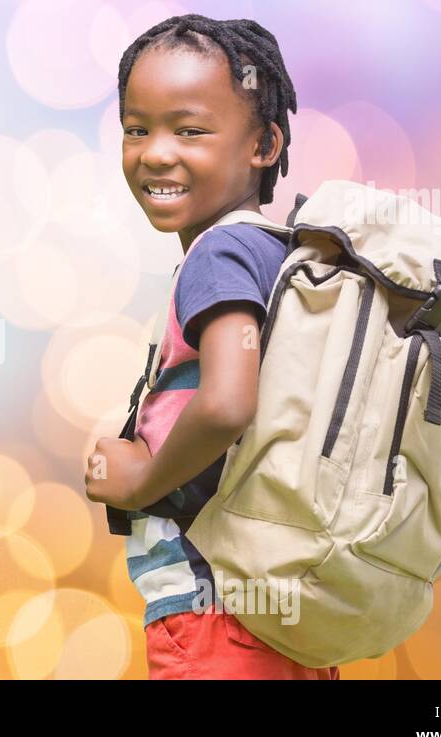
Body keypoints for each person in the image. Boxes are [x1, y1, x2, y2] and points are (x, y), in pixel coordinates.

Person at [84, 14, 339, 680]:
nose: (156, 152)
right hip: (283, 618)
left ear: (264, 143)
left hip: (215, 624)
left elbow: (227, 404)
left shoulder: (218, 254)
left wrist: (140, 480)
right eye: (137, 129)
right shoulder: (282, 257)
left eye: (190, 130)